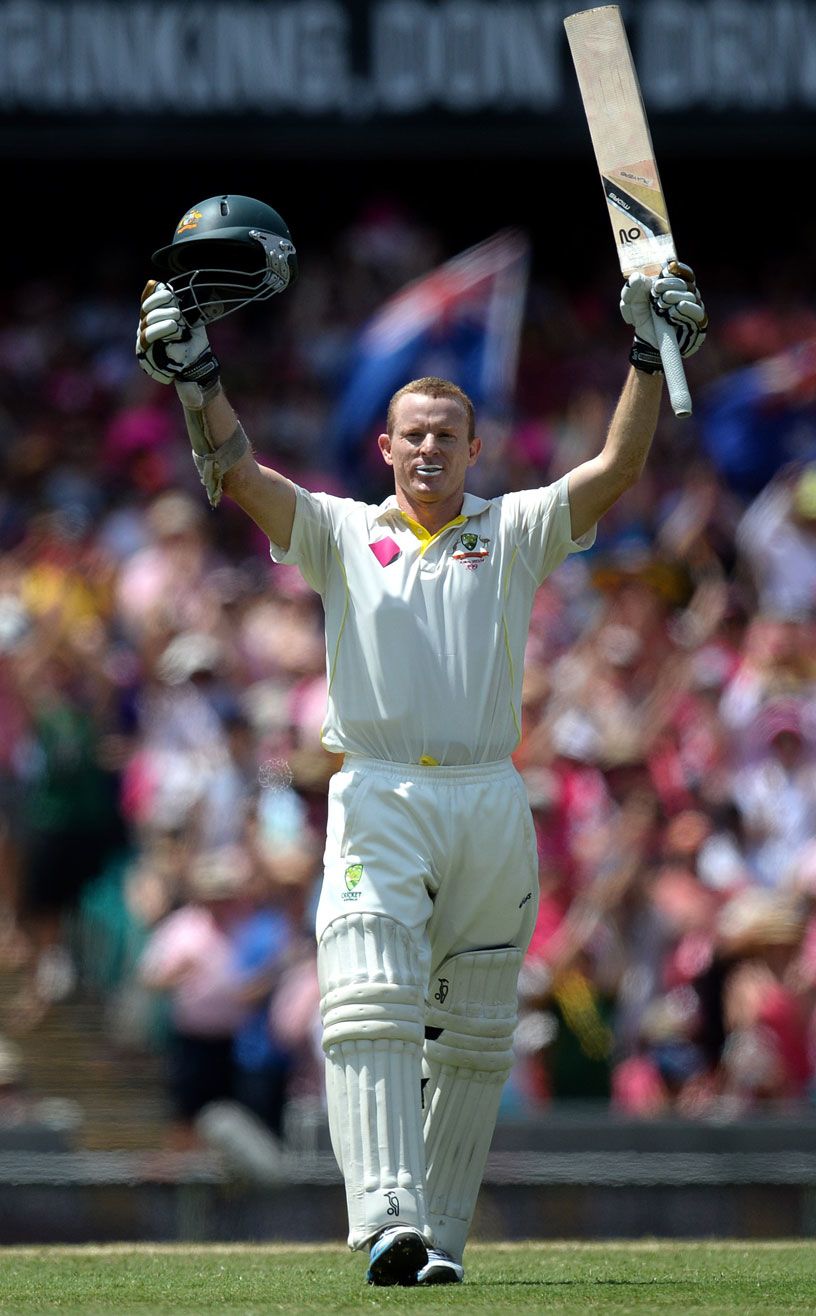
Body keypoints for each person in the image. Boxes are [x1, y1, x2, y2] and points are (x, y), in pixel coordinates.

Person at [134, 206, 707, 1285]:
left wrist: (647, 354)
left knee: (479, 1035)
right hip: (382, 793)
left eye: (449, 435)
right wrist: (197, 380)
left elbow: (618, 465)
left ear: (475, 449)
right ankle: (387, 1216)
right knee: (368, 997)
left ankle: (437, 1240)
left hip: (490, 796)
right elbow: (240, 472)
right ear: (385, 448)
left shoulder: (514, 528)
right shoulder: (343, 531)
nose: (431, 449)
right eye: (415, 435)